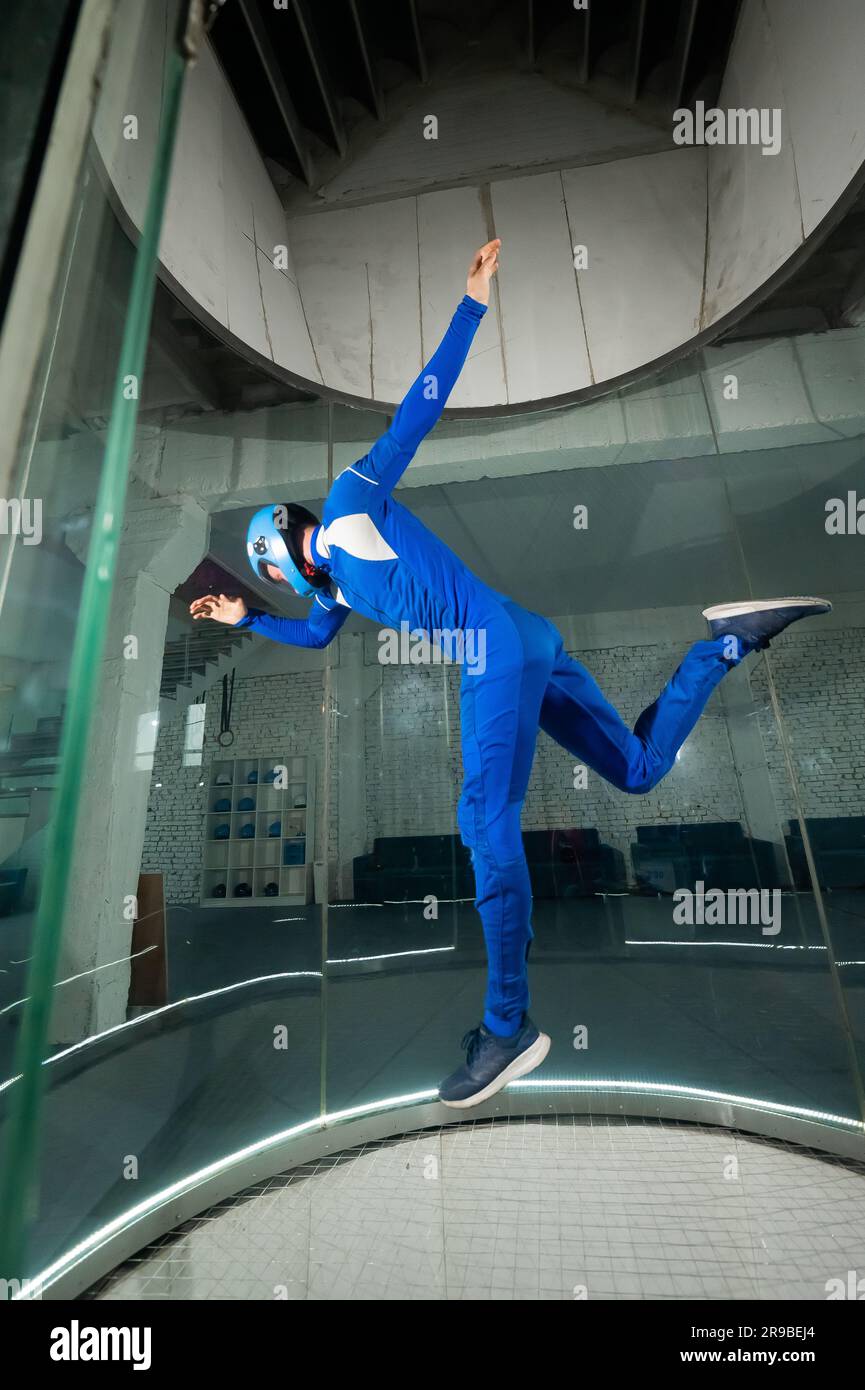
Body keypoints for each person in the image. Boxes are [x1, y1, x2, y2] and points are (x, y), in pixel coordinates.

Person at [191, 239, 831, 1109]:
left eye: (267, 576)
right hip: (529, 636)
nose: (276, 584)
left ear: (279, 553)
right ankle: (725, 644)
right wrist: (246, 621)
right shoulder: (336, 586)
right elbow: (310, 638)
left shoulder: (349, 504)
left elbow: (417, 411)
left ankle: (506, 1029)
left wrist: (471, 303)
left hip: (494, 646)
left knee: (482, 822)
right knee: (637, 771)